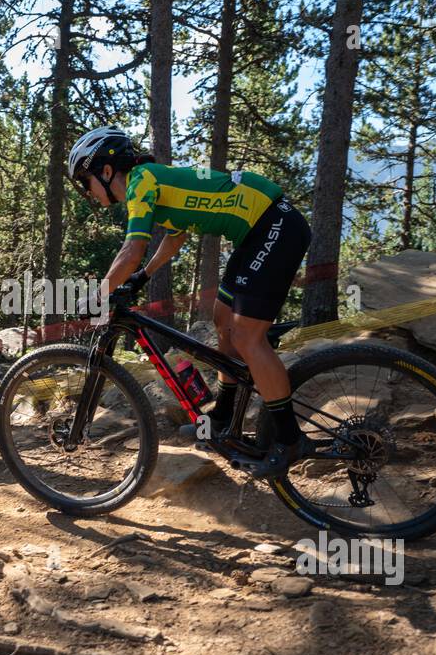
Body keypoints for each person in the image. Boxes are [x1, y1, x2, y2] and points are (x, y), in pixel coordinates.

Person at [67, 126, 312, 475]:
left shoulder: (141, 181)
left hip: (275, 225)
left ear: (105, 171)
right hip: (256, 231)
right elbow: (174, 238)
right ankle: (224, 418)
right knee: (223, 321)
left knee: (246, 336)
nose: (87, 191)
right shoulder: (150, 181)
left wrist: (99, 293)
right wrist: (144, 277)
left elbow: (132, 249)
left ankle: (289, 440)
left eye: (85, 180)